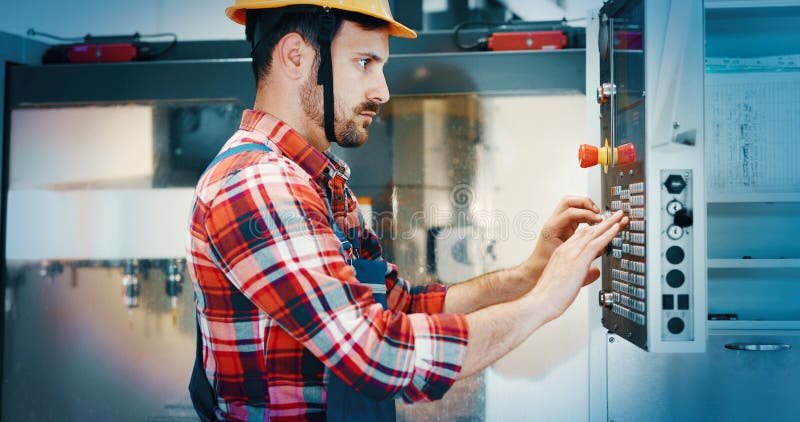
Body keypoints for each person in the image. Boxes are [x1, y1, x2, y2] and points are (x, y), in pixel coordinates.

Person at [186, 1, 628, 420]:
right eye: (365, 63)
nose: (382, 90)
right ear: (297, 57)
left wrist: (528, 275)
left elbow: (403, 306)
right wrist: (544, 300)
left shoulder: (316, 183)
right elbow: (377, 354)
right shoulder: (261, 183)